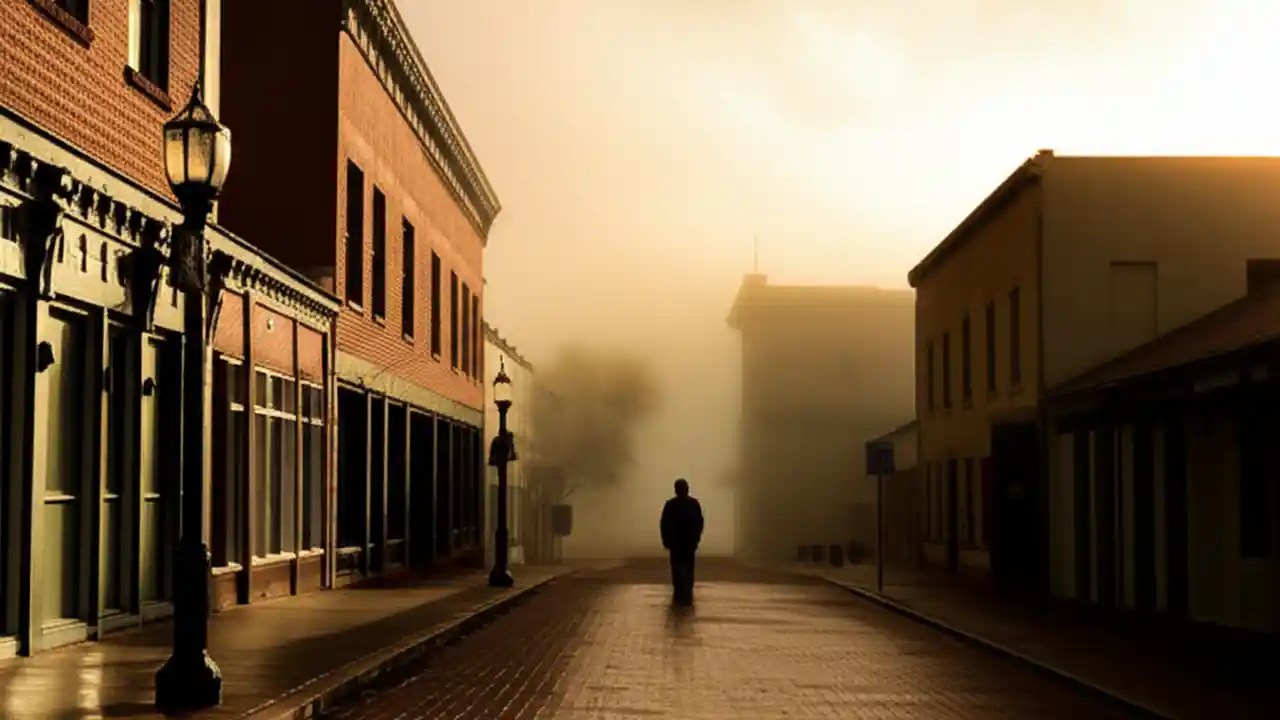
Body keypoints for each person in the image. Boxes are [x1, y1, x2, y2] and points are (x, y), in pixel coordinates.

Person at [660, 478, 704, 605]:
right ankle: (686, 588)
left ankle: (680, 588)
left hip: (678, 542)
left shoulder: (671, 505)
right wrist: (696, 537)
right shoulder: (693, 504)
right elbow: (699, 522)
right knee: (688, 565)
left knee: (677, 565)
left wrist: (666, 539)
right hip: (687, 542)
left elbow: (664, 523)